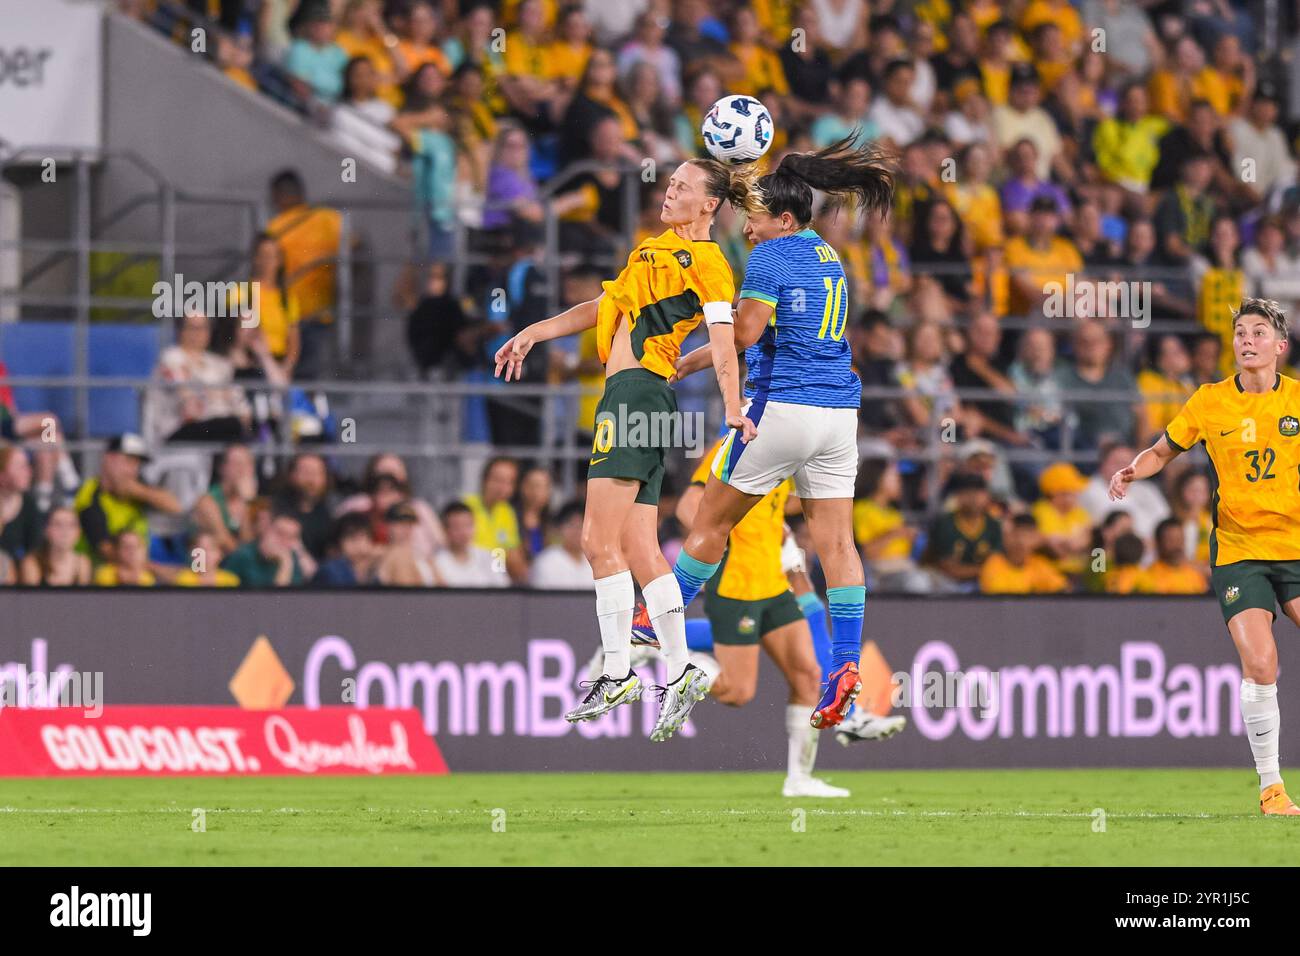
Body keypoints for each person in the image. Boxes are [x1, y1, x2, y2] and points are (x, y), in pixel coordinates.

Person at [494, 154, 760, 739]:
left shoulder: (710, 264)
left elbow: (723, 341)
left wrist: (733, 406)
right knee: (640, 544)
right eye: (670, 182)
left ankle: (617, 671)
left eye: (683, 186)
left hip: (637, 393)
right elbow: (602, 309)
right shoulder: (649, 250)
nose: (669, 191)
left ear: (709, 204)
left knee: (595, 539)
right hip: (643, 398)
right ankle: (681, 667)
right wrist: (534, 332)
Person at [669, 135, 894, 730]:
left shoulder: (773, 255)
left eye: (756, 219)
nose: (748, 230)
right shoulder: (828, 256)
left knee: (709, 521)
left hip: (783, 408)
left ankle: (650, 627)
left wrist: (692, 353)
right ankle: (845, 664)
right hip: (840, 417)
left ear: (785, 218)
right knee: (839, 546)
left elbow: (741, 335)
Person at [1108, 298, 1300, 814]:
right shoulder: (1211, 401)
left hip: (1296, 548)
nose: (1246, 340)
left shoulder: (1298, 401)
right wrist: (1133, 469)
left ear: (1279, 347)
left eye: (1258, 332)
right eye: (1240, 332)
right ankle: (1272, 789)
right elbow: (1163, 450)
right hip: (1239, 551)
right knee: (1261, 665)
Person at [74, 434, 181, 563]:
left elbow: (176, 507)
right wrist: (154, 569)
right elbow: (106, 551)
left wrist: (139, 491)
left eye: (137, 464)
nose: (133, 470)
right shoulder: (90, 496)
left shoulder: (138, 487)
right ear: (109, 459)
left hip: (140, 568)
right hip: (103, 573)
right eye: (129, 462)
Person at [221, 509, 312, 587]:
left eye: (291, 537)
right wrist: (285, 564)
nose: (284, 541)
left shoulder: (292, 558)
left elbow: (290, 602)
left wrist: (286, 563)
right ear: (267, 529)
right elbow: (272, 603)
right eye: (280, 533)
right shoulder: (243, 556)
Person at [433, 501, 506, 587]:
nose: (464, 532)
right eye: (457, 527)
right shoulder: (436, 562)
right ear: (445, 530)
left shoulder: (492, 556)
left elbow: (504, 590)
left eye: (468, 525)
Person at [19, 506, 92, 587]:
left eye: (71, 525)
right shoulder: (32, 562)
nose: (65, 531)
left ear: (79, 532)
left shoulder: (82, 562)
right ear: (46, 530)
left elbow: (83, 598)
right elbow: (30, 598)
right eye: (58, 524)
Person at [529, 501, 595, 589]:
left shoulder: (595, 562)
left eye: (580, 526)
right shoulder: (546, 561)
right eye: (571, 525)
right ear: (560, 528)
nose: (576, 531)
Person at [314, 512, 378, 587]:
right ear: (340, 543)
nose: (358, 544)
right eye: (351, 538)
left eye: (361, 537)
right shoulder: (330, 570)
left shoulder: (379, 566)